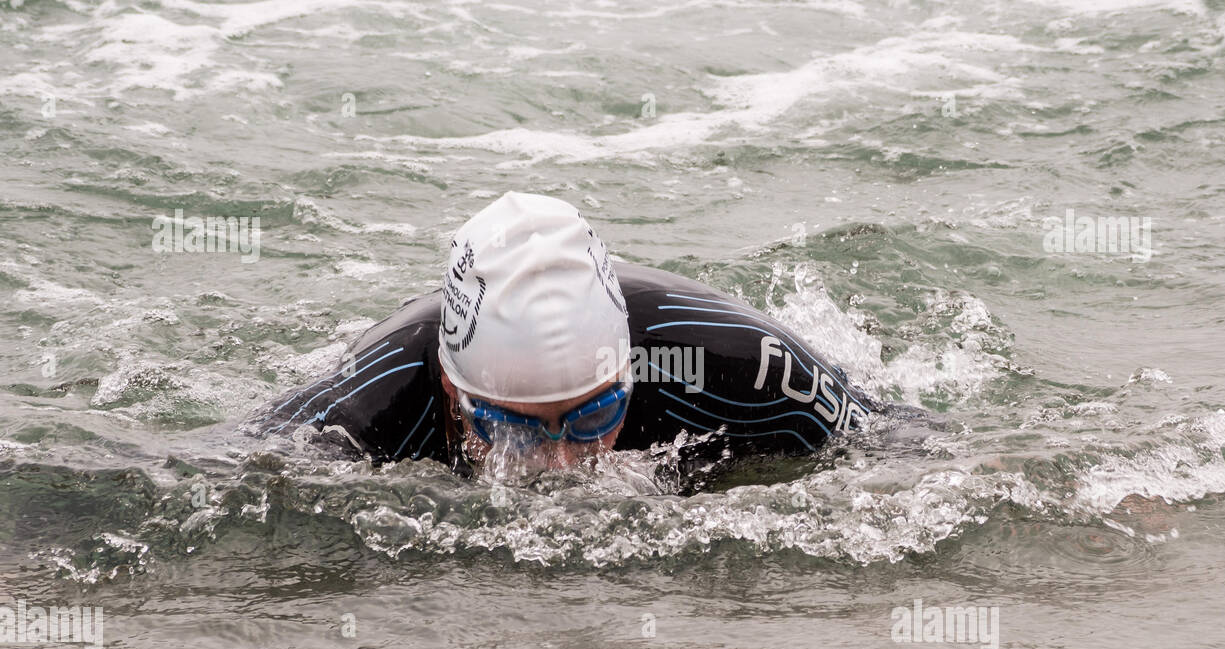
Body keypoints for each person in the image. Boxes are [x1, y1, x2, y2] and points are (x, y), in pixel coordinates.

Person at [245, 192, 935, 475]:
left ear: (629, 370)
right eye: (515, 428)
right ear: (455, 389)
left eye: (595, 414)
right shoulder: (366, 406)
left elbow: (909, 446)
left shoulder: (734, 362)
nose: (563, 466)